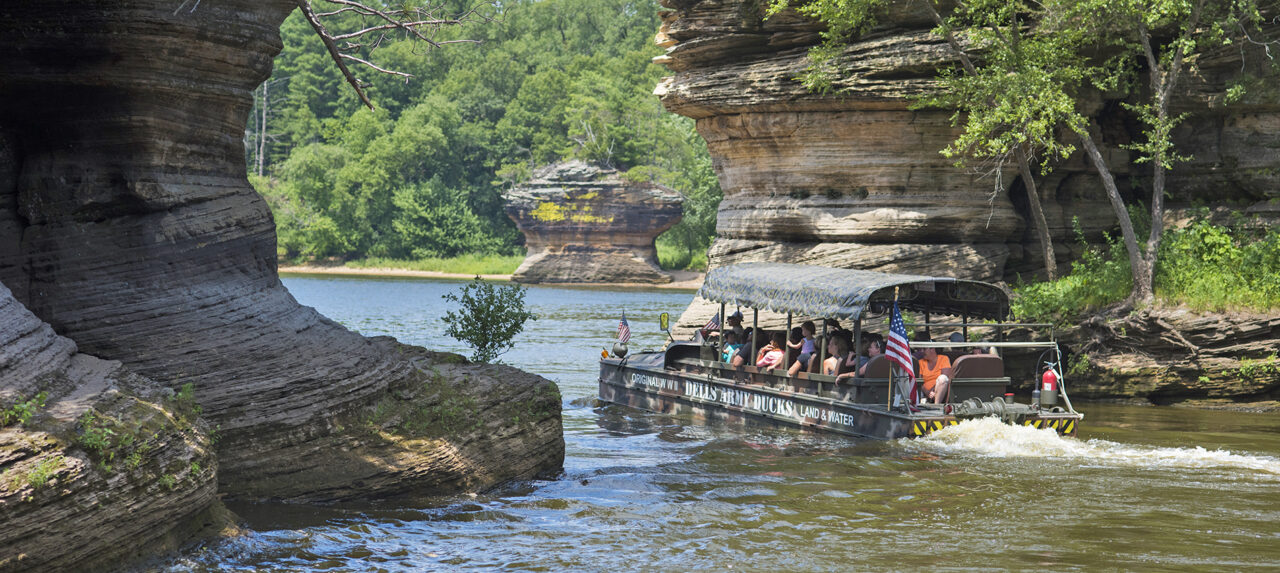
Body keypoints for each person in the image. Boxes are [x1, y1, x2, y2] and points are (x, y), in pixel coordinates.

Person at [917, 334, 953, 403]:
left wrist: (933, 391)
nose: (922, 351)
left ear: (932, 349)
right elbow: (919, 381)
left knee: (943, 378)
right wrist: (928, 392)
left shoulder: (944, 359)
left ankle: (937, 405)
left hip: (939, 391)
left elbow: (946, 376)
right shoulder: (920, 362)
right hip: (923, 392)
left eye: (924, 349)